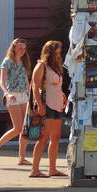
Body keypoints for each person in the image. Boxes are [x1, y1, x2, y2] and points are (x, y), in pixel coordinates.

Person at [0, 38, 32, 165]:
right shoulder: (7, 61)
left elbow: (26, 80)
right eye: (20, 48)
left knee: (25, 128)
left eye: (24, 48)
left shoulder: (24, 62)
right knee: (17, 127)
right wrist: (7, 93)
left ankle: (21, 157)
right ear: (14, 48)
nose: (22, 51)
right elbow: (2, 81)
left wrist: (30, 93)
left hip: (24, 95)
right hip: (12, 94)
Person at [30, 40, 67, 178]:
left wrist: (62, 94)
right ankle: (35, 169)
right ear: (49, 52)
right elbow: (35, 85)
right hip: (47, 104)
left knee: (55, 137)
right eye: (55, 52)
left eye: (59, 52)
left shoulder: (56, 66)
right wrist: (39, 104)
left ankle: (52, 169)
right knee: (43, 137)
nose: (58, 55)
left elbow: (56, 84)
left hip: (57, 103)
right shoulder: (41, 66)